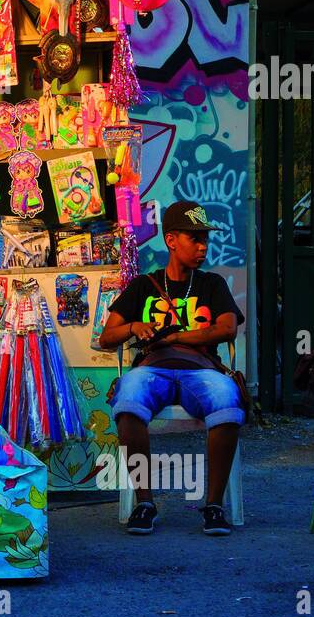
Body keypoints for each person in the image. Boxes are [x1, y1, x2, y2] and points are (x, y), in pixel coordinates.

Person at [98, 200, 245, 536]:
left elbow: (227, 328)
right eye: (195, 239)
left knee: (226, 395)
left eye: (205, 239)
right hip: (154, 368)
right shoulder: (142, 286)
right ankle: (145, 503)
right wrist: (135, 326)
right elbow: (108, 337)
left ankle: (214, 505)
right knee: (129, 395)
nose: (203, 246)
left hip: (200, 369)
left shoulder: (211, 284)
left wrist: (177, 335)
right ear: (171, 240)